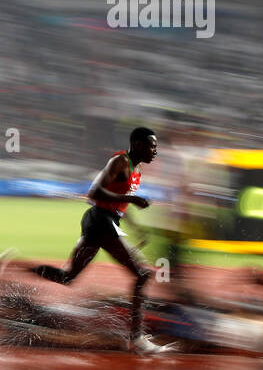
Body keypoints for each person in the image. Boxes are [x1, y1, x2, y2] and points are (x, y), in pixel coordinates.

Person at [28, 127, 170, 354]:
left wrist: (135, 228)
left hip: (104, 221)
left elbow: (119, 205)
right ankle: (137, 339)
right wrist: (132, 198)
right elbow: (94, 194)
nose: (156, 151)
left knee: (68, 277)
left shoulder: (137, 169)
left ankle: (15, 267)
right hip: (99, 220)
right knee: (142, 274)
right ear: (140, 145)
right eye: (153, 146)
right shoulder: (119, 162)